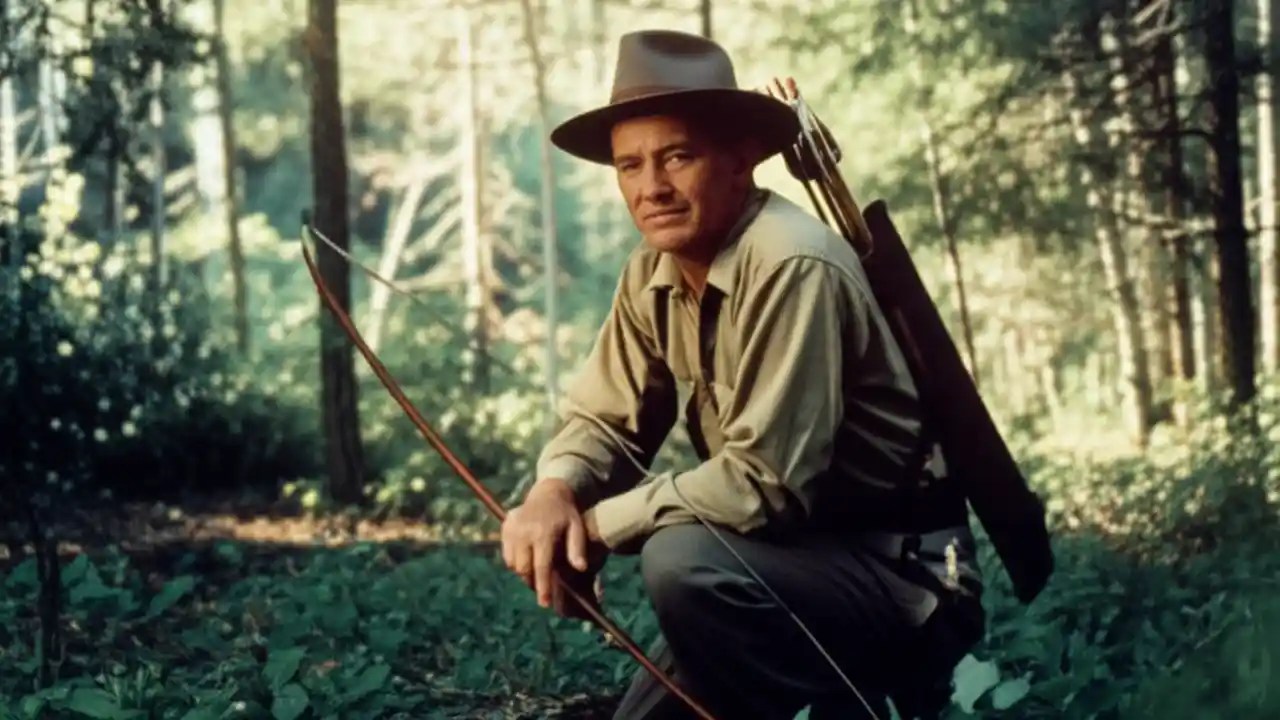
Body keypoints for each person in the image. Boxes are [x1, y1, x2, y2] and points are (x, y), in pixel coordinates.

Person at [500, 29, 985, 720]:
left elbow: (765, 486)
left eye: (677, 157)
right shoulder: (652, 272)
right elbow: (603, 420)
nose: (652, 188)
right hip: (783, 568)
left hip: (902, 583)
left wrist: (599, 526)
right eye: (629, 166)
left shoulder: (793, 264)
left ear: (740, 160)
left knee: (681, 561)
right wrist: (554, 492)